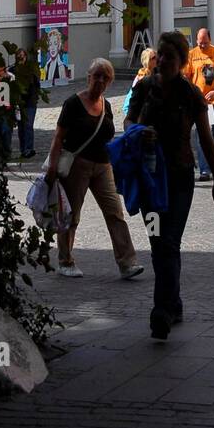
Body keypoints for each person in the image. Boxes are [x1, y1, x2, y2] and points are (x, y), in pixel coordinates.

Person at [126, 30, 214, 338]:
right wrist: (139, 130)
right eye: (162, 54)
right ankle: (175, 302)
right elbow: (127, 120)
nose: (164, 60)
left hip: (180, 177)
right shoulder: (144, 88)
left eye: (171, 56)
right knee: (159, 242)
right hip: (150, 178)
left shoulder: (190, 94)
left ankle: (162, 311)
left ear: (182, 62)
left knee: (169, 240)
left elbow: (206, 140)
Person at [45, 58, 145, 282]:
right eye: (97, 75)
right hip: (77, 165)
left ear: (109, 82)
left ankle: (127, 262)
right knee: (72, 214)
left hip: (103, 165)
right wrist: (52, 168)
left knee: (115, 213)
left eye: (105, 77)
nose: (100, 80)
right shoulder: (72, 104)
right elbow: (58, 137)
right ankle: (65, 260)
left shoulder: (106, 105)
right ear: (89, 76)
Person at [187, 28, 214, 182]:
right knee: (201, 137)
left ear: (210, 40)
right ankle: (204, 170)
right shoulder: (192, 54)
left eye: (205, 43)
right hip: (200, 104)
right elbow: (186, 77)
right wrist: (194, 94)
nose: (202, 46)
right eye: (200, 43)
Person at [13, 46, 40, 159]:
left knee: (28, 125)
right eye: (19, 58)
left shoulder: (31, 70)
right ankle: (23, 149)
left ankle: (29, 149)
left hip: (30, 102)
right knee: (21, 126)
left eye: (23, 57)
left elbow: (36, 84)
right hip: (19, 103)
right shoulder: (13, 70)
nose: (21, 60)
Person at [122, 47, 156, 127]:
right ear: (147, 61)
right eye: (154, 58)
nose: (157, 59)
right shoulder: (141, 79)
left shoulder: (156, 75)